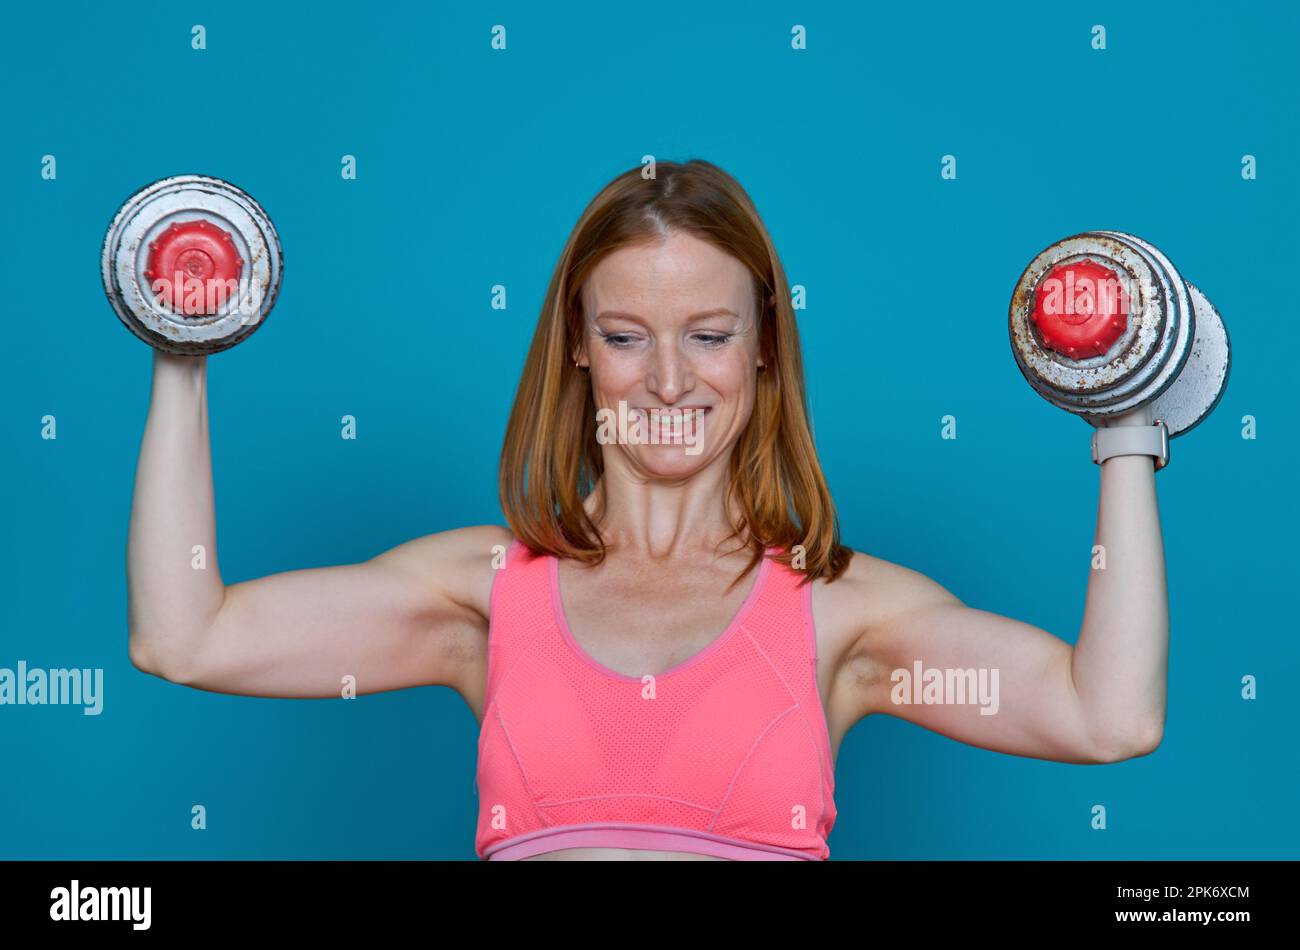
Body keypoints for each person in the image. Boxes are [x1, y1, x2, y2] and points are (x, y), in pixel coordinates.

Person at [127, 159, 1169, 861]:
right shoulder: (485, 595)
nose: (669, 380)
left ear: (764, 346)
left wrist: (1123, 425)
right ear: (578, 346)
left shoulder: (841, 612)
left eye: (709, 335)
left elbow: (1107, 715)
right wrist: (183, 347)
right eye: (626, 336)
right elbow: (184, 636)